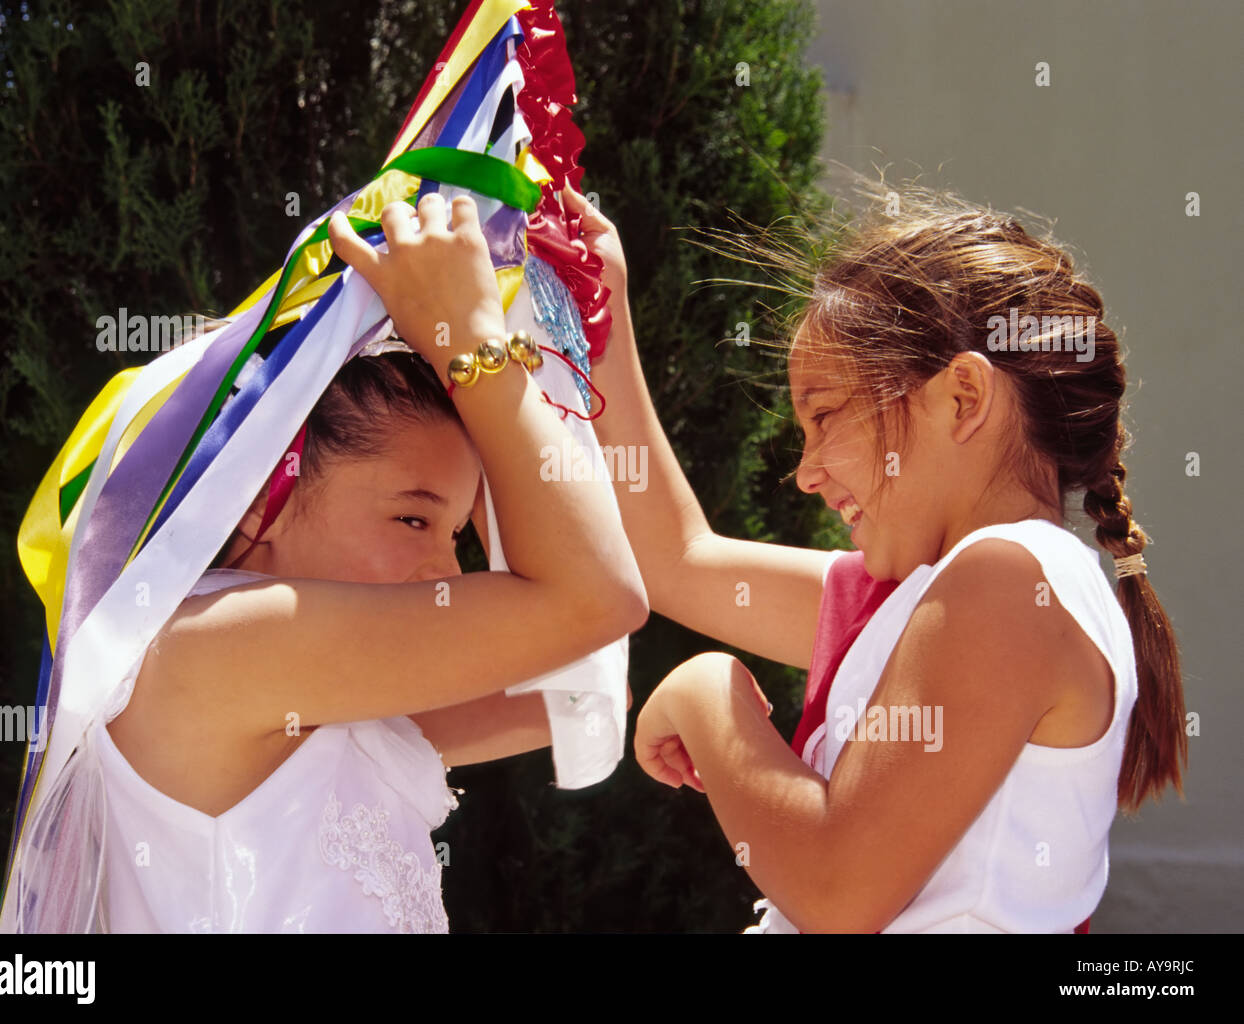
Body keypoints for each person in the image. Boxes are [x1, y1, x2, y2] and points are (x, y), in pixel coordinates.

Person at [568, 179, 1187, 933]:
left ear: (962, 398)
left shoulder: (1009, 579)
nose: (806, 471)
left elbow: (837, 891)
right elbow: (679, 563)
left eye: (825, 415)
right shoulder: (932, 592)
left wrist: (707, 695)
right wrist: (595, 308)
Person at [93, 192, 649, 931]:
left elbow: (581, 685)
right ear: (263, 499)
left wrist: (572, 318)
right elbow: (598, 600)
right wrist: (473, 344)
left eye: (460, 534)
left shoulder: (318, 693)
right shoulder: (213, 650)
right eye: (414, 518)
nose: (448, 574)